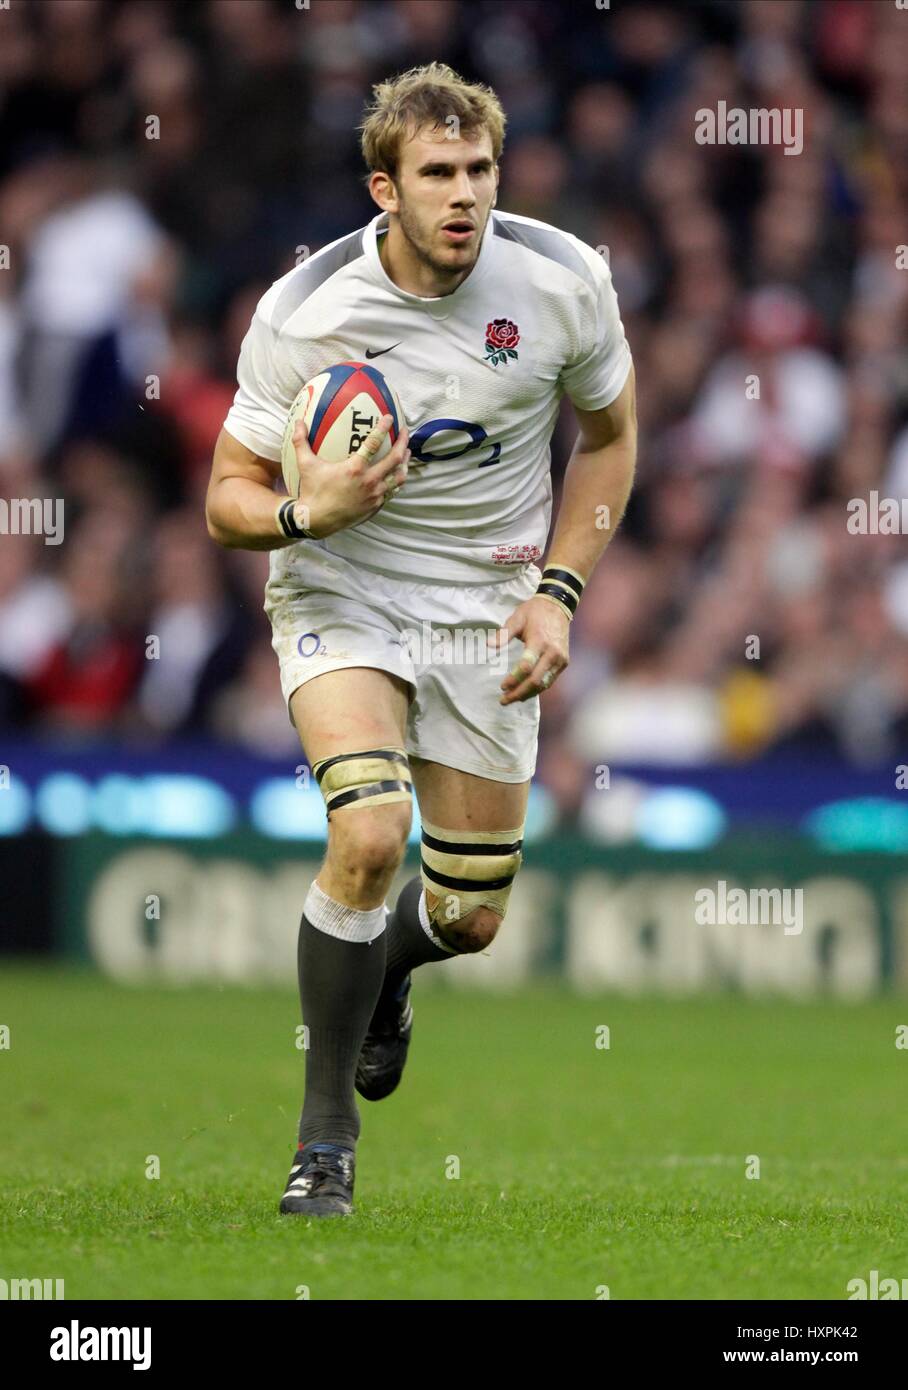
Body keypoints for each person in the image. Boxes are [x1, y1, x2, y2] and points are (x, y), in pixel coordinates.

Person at [205, 62, 637, 1217]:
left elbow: (607, 440)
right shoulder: (307, 310)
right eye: (437, 174)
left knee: (469, 916)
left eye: (479, 170)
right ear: (382, 189)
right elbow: (227, 496)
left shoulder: (561, 281)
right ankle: (322, 1144)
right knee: (368, 830)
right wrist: (310, 512)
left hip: (487, 608)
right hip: (341, 586)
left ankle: (385, 965)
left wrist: (556, 592)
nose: (464, 197)